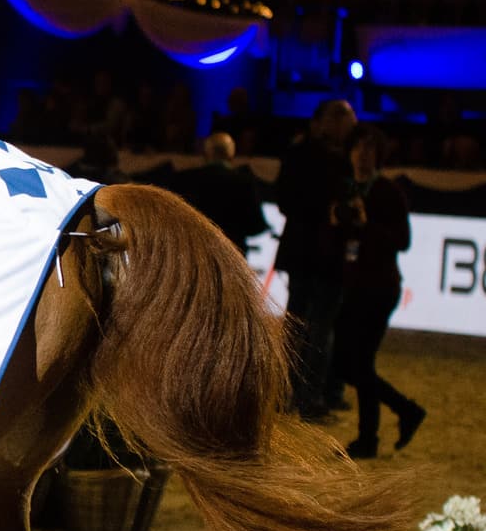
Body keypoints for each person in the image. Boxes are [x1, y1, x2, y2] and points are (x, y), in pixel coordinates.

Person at [332, 126, 425, 458]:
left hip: (379, 285)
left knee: (357, 363)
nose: (363, 154)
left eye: (370, 149)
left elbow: (403, 241)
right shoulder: (346, 188)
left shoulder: (387, 191)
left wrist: (367, 223)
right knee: (351, 364)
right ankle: (399, 415)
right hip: (355, 283)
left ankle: (374, 433)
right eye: (358, 147)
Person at [272, 98, 356, 420]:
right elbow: (288, 200)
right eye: (339, 117)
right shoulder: (338, 159)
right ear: (319, 122)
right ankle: (306, 397)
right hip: (322, 251)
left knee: (302, 323)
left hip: (305, 249)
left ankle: (291, 394)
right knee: (316, 325)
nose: (345, 124)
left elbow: (284, 200)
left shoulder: (301, 154)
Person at [174, 132, 268, 253]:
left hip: (194, 252)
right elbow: (256, 225)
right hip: (231, 253)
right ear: (231, 154)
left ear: (206, 153)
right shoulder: (243, 182)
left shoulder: (185, 179)